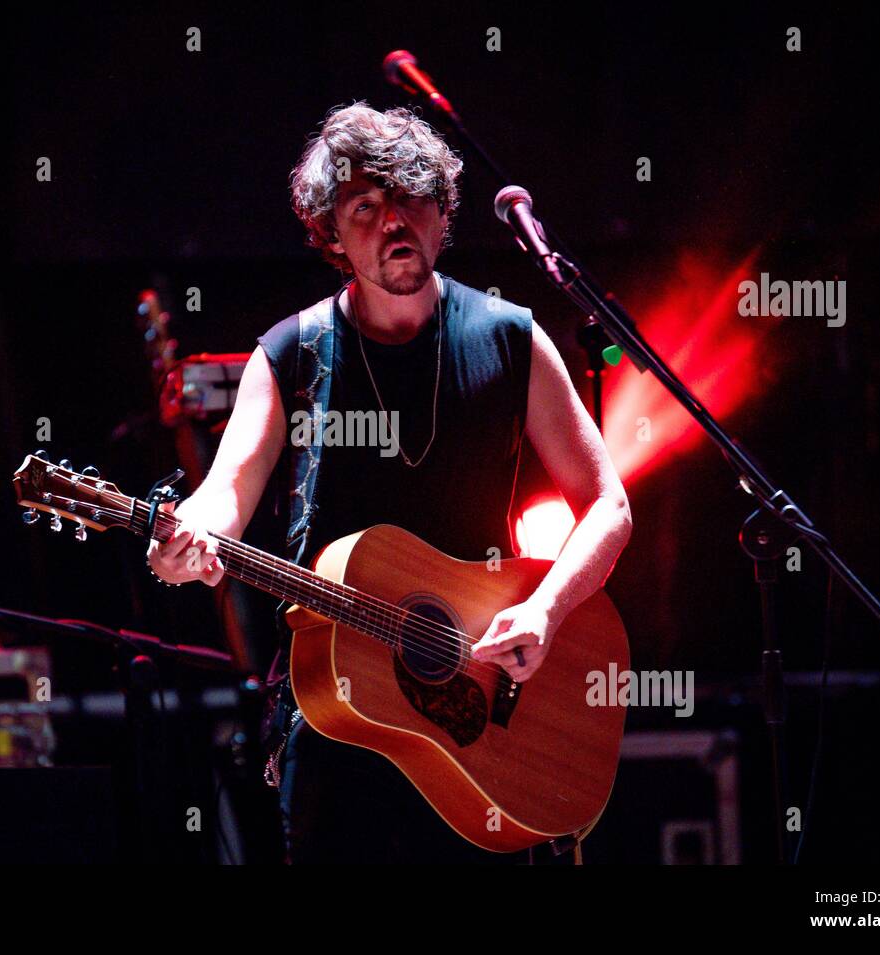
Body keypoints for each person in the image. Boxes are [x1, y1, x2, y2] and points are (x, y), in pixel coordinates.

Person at [147, 102, 632, 863]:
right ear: (331, 235)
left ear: (443, 213)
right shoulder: (292, 354)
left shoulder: (510, 337)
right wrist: (191, 536)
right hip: (343, 730)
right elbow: (224, 496)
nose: (392, 220)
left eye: (411, 196)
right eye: (364, 207)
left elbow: (608, 505)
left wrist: (544, 610)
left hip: (485, 720)